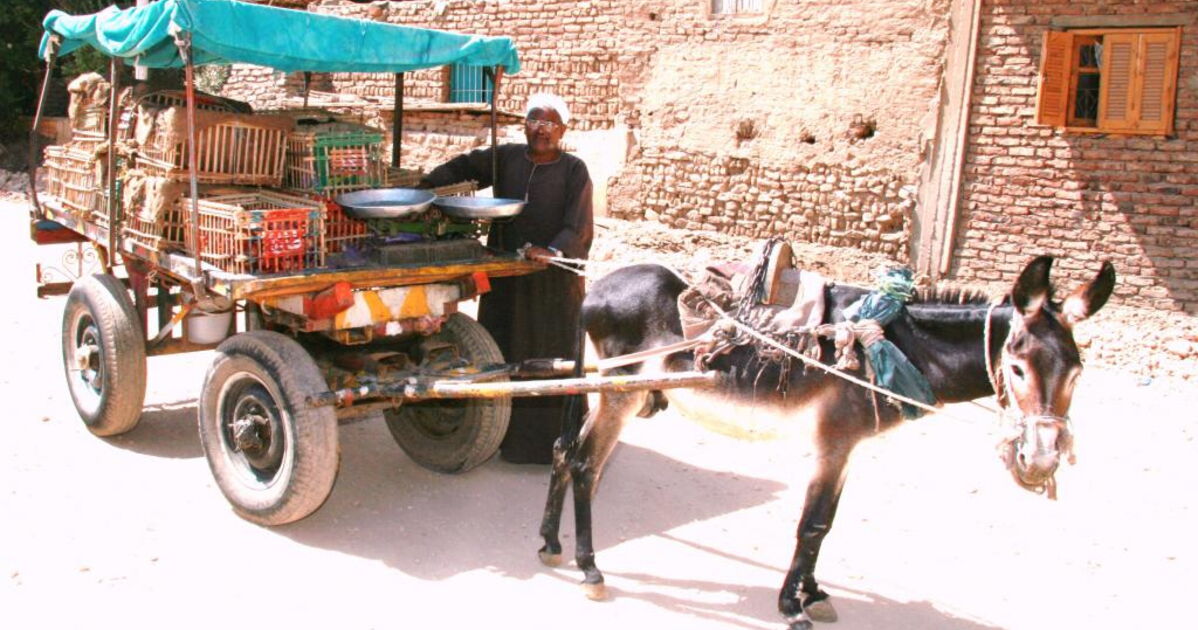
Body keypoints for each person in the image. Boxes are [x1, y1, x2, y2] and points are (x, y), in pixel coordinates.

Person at [419, 93, 594, 464]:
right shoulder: (507, 158)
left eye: (549, 124)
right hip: (507, 277)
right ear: (524, 125)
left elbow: (578, 226)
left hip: (552, 282)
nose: (540, 130)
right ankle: (501, 436)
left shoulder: (574, 170)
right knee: (503, 349)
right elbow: (465, 166)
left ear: (562, 130)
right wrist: (424, 186)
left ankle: (554, 443)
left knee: (550, 357)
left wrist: (553, 250)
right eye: (533, 121)